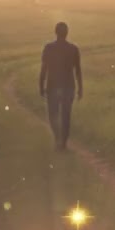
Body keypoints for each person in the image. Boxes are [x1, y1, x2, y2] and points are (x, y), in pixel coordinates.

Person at [39, 21, 82, 151]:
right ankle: (63, 142)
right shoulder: (73, 49)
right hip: (68, 86)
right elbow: (78, 70)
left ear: (55, 32)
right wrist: (81, 88)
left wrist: (41, 85)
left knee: (53, 115)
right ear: (67, 33)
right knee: (66, 115)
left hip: (52, 86)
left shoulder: (48, 48)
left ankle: (58, 138)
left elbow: (44, 69)